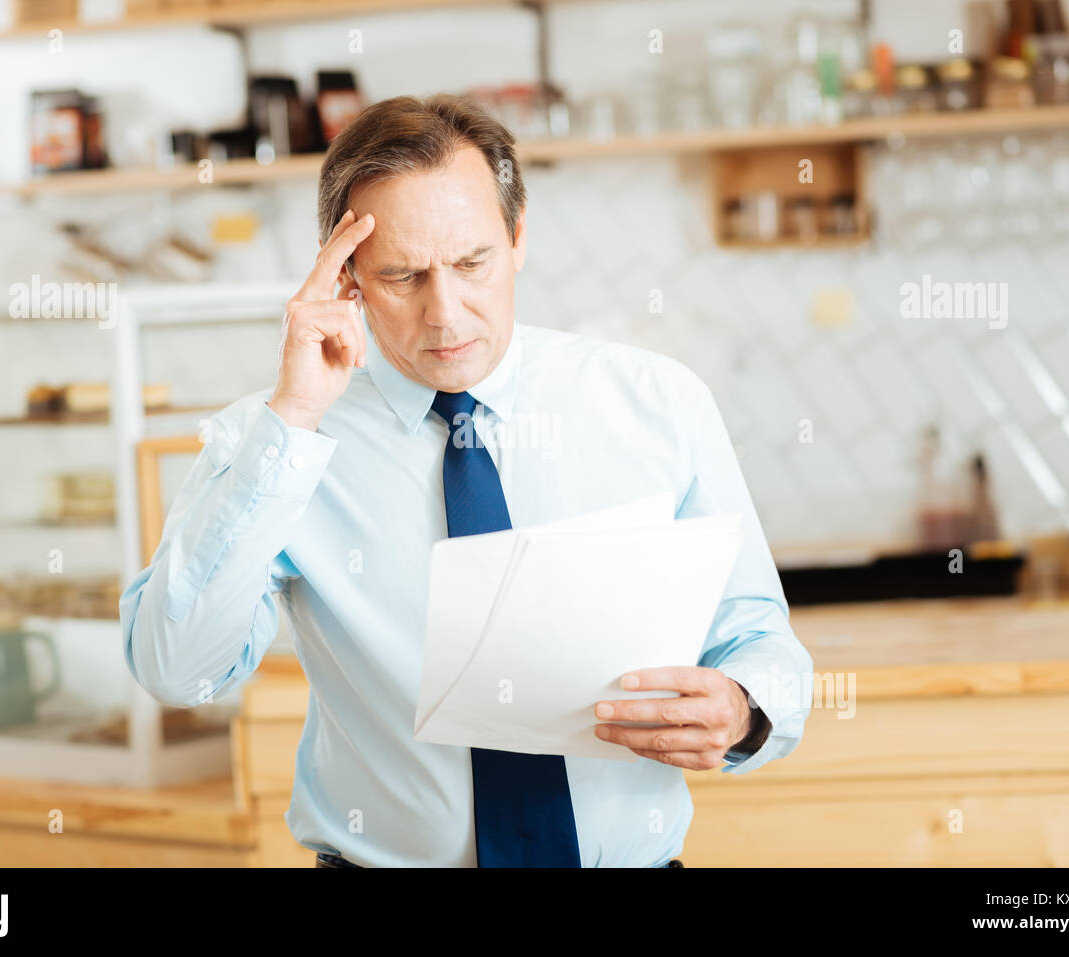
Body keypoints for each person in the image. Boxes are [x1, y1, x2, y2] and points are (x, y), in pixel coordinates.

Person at [120, 93, 813, 868]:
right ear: (345, 276)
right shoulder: (278, 439)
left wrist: (745, 709)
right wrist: (290, 422)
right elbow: (175, 668)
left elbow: (759, 636)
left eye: (472, 263)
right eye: (402, 275)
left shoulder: (655, 402)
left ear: (518, 239)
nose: (445, 314)